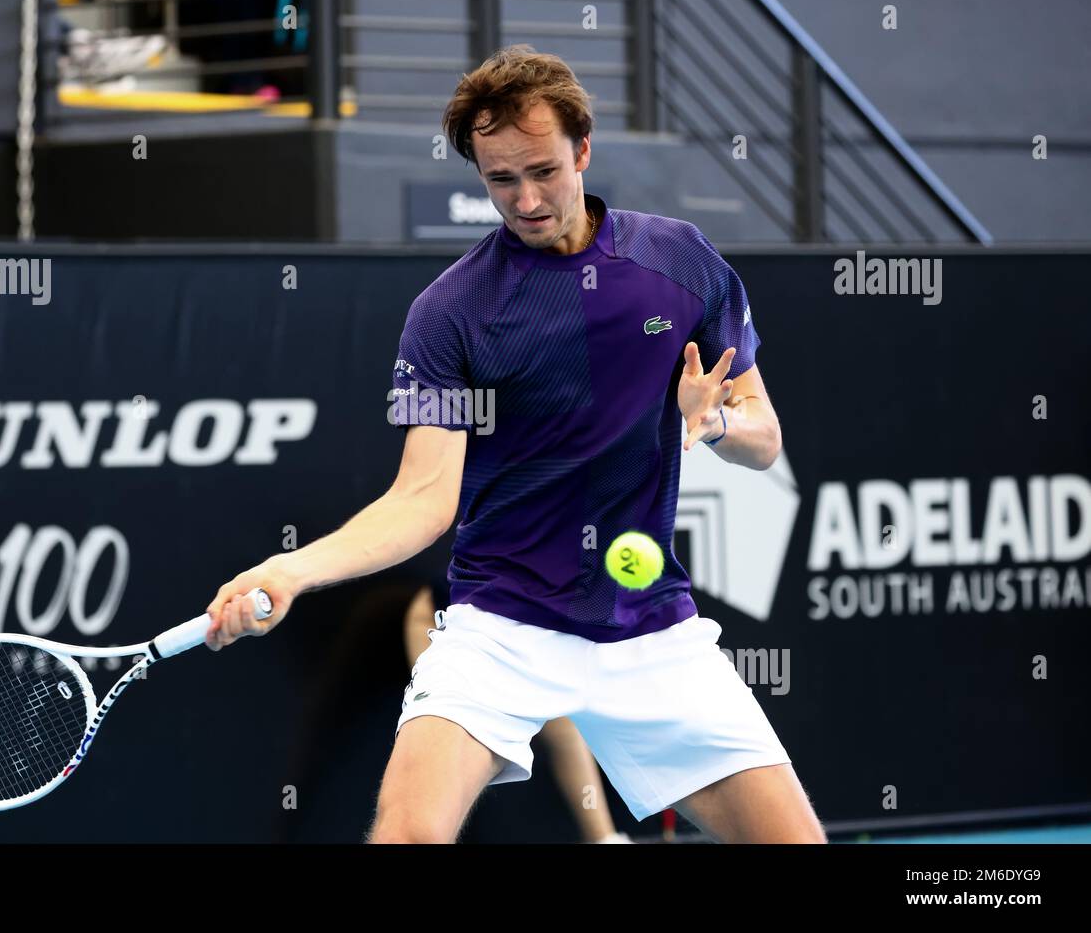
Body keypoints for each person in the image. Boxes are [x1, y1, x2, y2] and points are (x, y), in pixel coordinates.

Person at [205, 44, 826, 844]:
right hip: (501, 626)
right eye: (501, 180)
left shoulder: (681, 262)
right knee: (406, 833)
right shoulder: (451, 311)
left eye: (543, 171)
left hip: (652, 630)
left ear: (584, 152)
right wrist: (289, 569)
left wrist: (712, 423)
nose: (527, 200)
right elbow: (424, 499)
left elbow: (763, 441)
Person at [403, 579, 632, 843]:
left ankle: (604, 838)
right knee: (453, 739)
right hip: (438, 620)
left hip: (507, 623)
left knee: (563, 727)